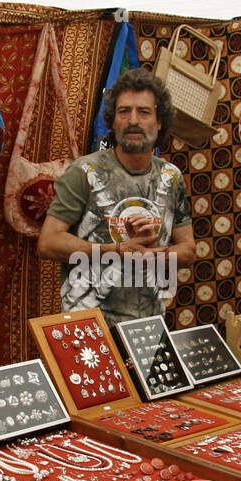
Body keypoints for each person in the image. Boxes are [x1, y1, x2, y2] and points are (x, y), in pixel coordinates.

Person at [37, 68, 195, 328]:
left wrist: (153, 254)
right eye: (124, 111)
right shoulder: (85, 172)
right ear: (112, 121)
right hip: (88, 326)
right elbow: (48, 242)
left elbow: (188, 250)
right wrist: (117, 251)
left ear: (159, 122)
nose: (133, 120)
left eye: (144, 112)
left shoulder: (171, 176)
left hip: (148, 326)